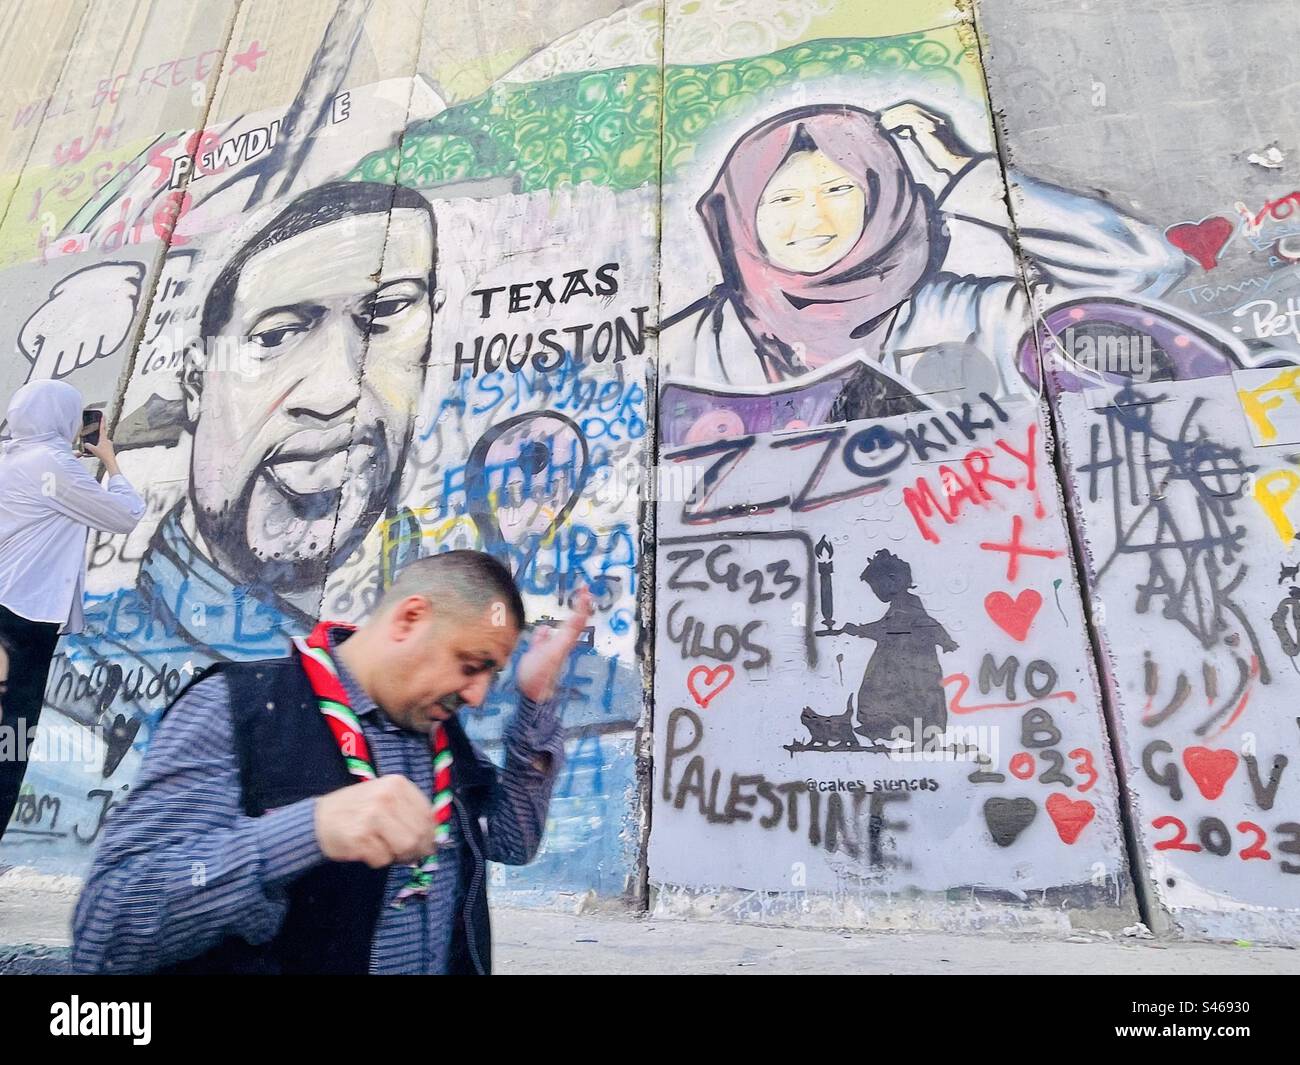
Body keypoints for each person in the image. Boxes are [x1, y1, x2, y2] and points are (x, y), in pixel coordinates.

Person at [43, 180, 438, 772]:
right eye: (275, 336)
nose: (334, 393)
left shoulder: (443, 680)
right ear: (197, 384)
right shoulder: (73, 689)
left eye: (384, 313)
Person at [71, 550, 592, 975]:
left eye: (491, 676)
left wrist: (536, 699)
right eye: (471, 666)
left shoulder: (436, 726)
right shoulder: (237, 708)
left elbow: (512, 842)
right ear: (410, 618)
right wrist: (307, 831)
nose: (478, 696)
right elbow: (107, 930)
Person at [660, 102, 1184, 404]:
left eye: (840, 191)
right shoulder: (689, 348)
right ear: (740, 217)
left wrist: (967, 171)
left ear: (882, 197)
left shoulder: (978, 317)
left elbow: (1138, 272)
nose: (813, 220)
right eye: (782, 199)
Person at [0, 379, 145, 842]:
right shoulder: (54, 464)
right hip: (24, 619)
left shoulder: (12, 457)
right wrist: (109, 461)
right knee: (10, 744)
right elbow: (123, 515)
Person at [842, 550, 958, 748]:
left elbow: (888, 627)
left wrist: (859, 630)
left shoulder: (907, 605)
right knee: (883, 694)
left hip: (910, 664)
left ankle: (913, 732)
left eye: (877, 586)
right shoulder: (902, 604)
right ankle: (883, 726)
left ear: (893, 580)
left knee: (912, 697)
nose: (876, 592)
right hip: (895, 662)